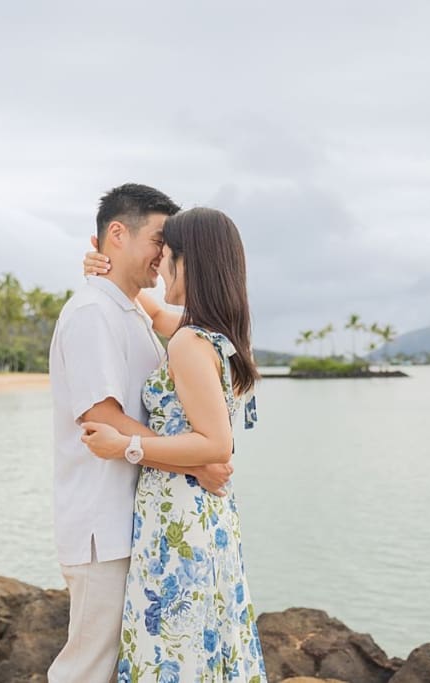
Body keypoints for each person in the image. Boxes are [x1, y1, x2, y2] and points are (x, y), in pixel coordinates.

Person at [48, 185, 234, 683]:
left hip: (136, 523)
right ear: (117, 234)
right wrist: (197, 461)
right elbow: (102, 419)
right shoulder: (92, 313)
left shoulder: (131, 311)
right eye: (158, 239)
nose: (165, 255)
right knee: (88, 670)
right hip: (101, 524)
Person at [81, 207, 268, 682]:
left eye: (166, 253)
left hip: (178, 514)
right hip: (206, 514)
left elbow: (216, 444)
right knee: (205, 640)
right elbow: (157, 311)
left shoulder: (189, 343)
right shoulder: (214, 334)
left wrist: (127, 445)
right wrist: (105, 267)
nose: (159, 263)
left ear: (189, 261)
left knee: (171, 649)